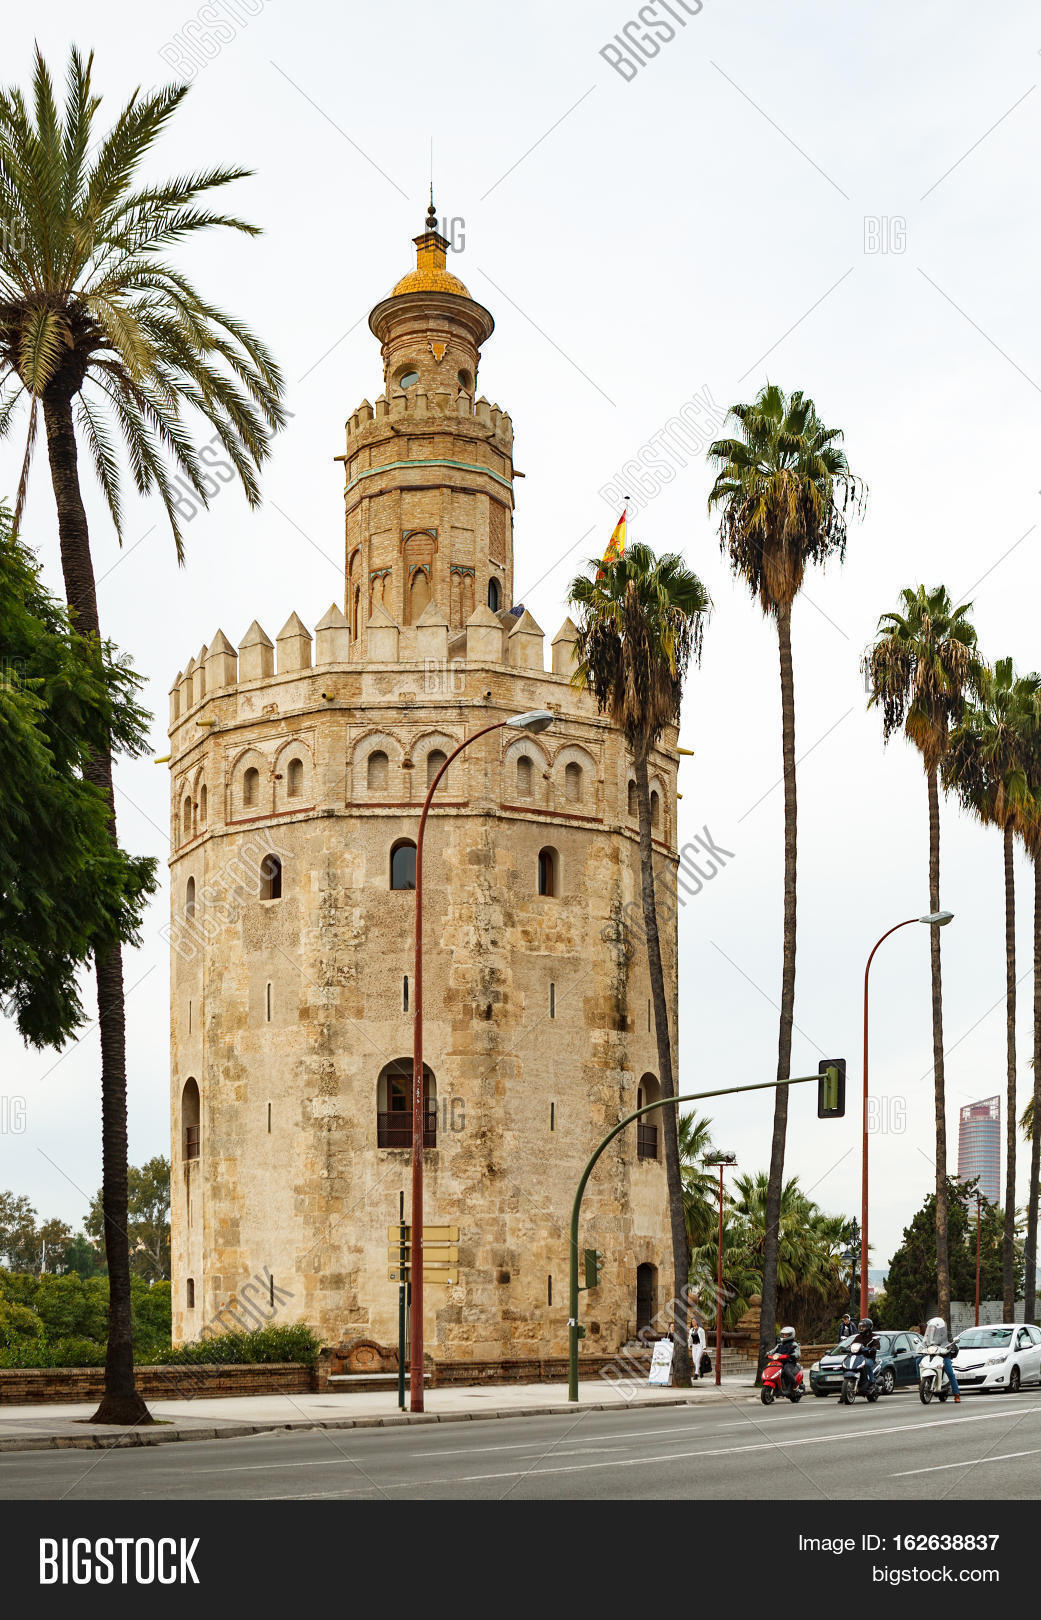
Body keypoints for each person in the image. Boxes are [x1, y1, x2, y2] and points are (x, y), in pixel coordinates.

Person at [922, 1315, 961, 1403]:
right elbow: (925, 1341)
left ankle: (956, 1394)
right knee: (918, 1361)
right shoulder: (930, 1334)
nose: (933, 1328)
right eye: (932, 1327)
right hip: (932, 1354)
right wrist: (922, 1346)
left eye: (935, 1326)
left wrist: (951, 1346)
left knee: (950, 1373)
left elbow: (951, 1342)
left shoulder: (947, 1334)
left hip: (943, 1356)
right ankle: (921, 1381)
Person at [772, 1325, 801, 1394]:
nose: (784, 1336)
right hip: (780, 1362)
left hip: (790, 1363)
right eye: (783, 1335)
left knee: (786, 1370)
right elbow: (773, 1350)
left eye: (786, 1335)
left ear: (791, 1335)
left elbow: (798, 1353)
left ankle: (795, 1384)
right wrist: (767, 1353)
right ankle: (776, 1388)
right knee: (771, 1369)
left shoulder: (794, 1344)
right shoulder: (780, 1344)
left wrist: (792, 1355)